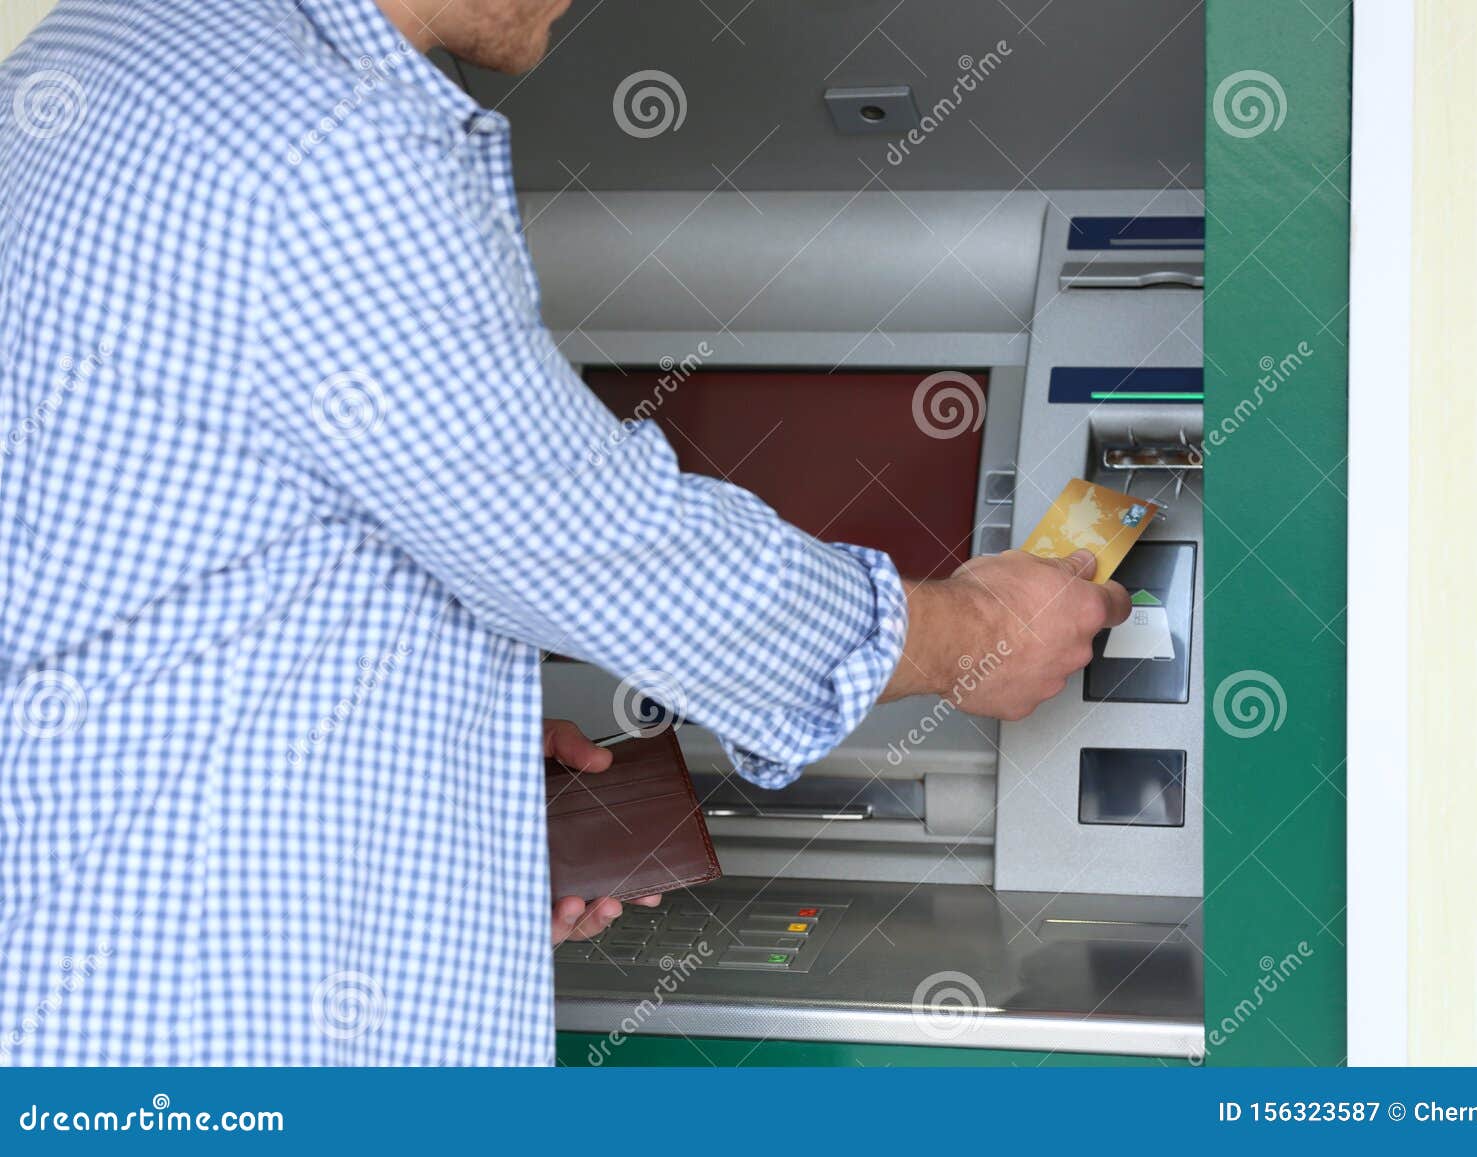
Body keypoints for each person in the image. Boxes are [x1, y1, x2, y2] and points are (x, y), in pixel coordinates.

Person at [0, 0, 1129, 1065]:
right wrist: (969, 629)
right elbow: (595, 537)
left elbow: (159, 573)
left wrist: (436, 744)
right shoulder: (322, 137)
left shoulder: (91, 66)